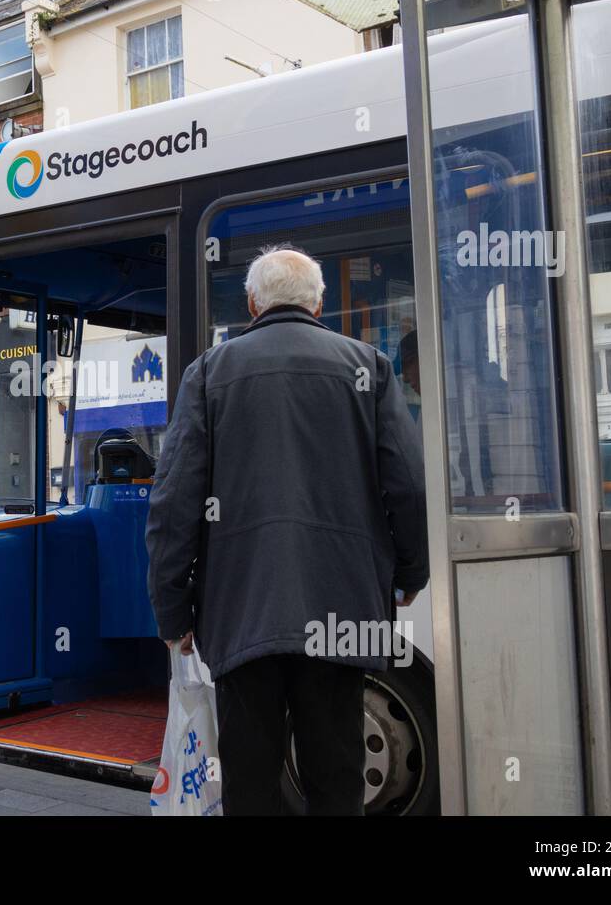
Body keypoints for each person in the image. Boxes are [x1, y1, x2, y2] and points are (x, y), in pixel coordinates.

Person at [146, 245, 428, 815]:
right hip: (343, 609)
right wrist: (409, 573)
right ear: (320, 302)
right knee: (337, 774)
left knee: (250, 782)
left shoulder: (208, 374)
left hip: (241, 611)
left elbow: (173, 505)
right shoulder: (369, 367)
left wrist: (173, 613)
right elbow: (409, 486)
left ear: (252, 303)